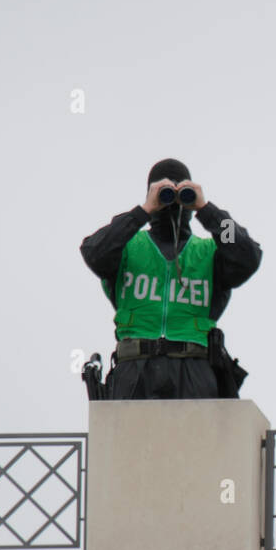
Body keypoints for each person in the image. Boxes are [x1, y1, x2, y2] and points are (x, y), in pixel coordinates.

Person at [79, 158, 262, 399]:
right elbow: (94, 250)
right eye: (164, 192)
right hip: (135, 369)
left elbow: (247, 254)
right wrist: (142, 212)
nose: (173, 201)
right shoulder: (128, 247)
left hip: (194, 369)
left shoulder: (209, 253)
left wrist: (207, 210)